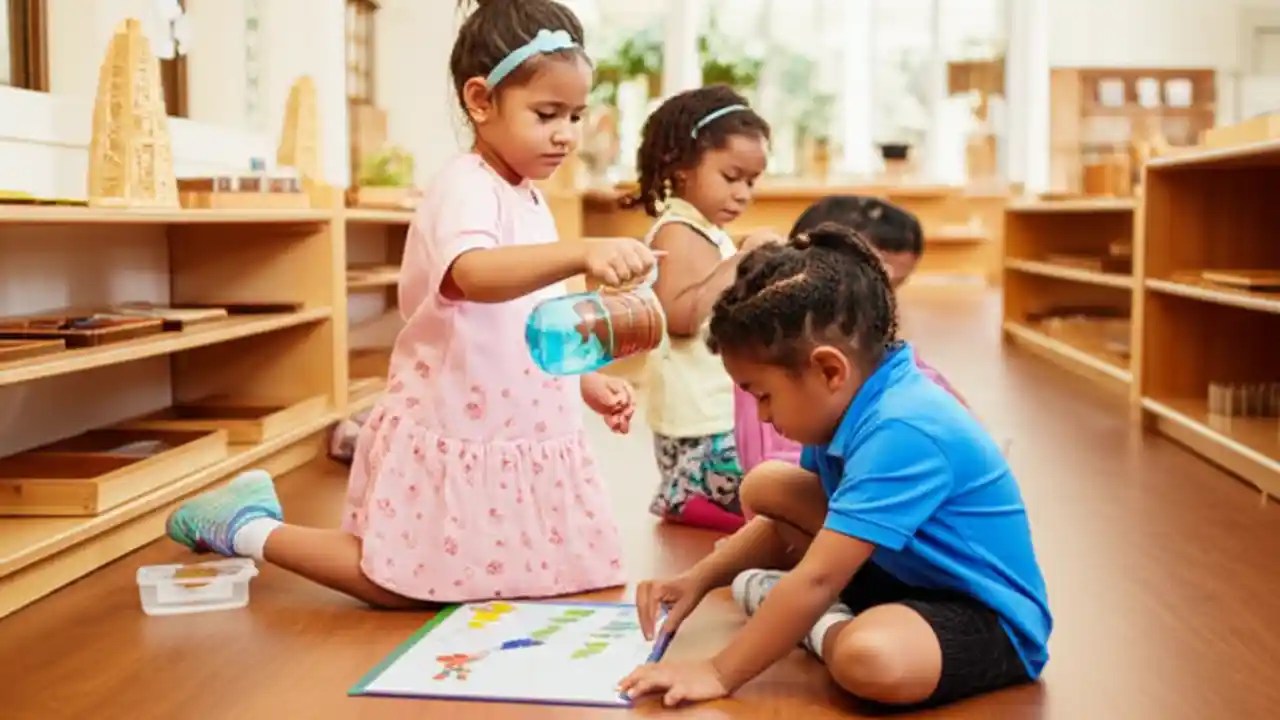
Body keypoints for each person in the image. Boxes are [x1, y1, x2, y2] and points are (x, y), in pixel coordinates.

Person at [163, 0, 657, 608]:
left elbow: (529, 320)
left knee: (539, 574)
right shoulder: (465, 185)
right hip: (454, 421)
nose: (566, 133)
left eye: (576, 115)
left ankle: (251, 526)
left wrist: (585, 380)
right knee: (397, 583)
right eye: (547, 113)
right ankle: (246, 528)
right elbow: (472, 275)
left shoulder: (528, 197)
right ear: (480, 101)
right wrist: (581, 252)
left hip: (516, 427)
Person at [621, 223, 1051, 710]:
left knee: (866, 658)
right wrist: (699, 577)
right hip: (899, 572)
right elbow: (787, 522)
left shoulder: (903, 428)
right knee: (768, 485)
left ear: (829, 370)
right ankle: (798, 612)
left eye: (764, 396)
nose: (761, 414)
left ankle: (817, 624)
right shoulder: (847, 405)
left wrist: (718, 671)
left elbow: (819, 577)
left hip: (980, 614)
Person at [623, 85, 779, 534]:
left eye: (751, 181)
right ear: (681, 166)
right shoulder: (677, 231)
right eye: (731, 177)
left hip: (718, 421)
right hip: (699, 431)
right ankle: (686, 497)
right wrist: (742, 259)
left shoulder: (706, 232)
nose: (743, 193)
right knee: (788, 492)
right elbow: (681, 317)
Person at [734, 195, 968, 476]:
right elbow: (765, 464)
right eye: (874, 285)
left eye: (892, 289)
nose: (884, 303)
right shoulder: (772, 356)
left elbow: (960, 424)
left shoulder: (886, 353)